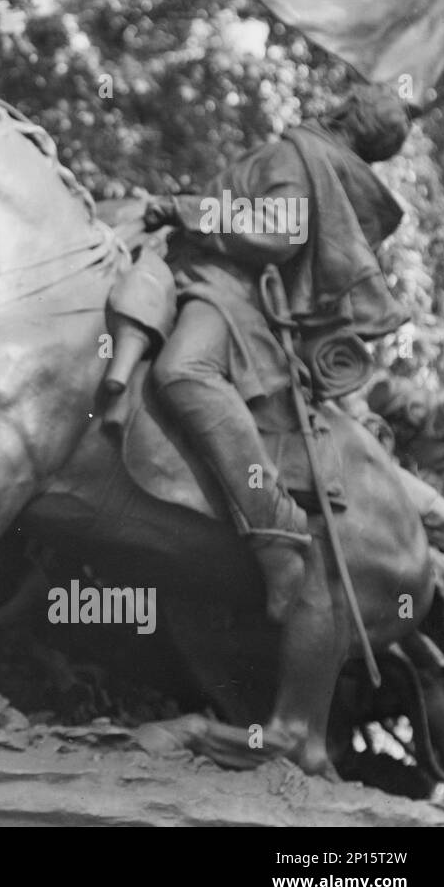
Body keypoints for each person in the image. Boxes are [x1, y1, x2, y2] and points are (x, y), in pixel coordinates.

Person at [147, 82, 413, 621]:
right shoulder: (311, 159)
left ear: (341, 108)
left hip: (226, 288)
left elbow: (276, 232)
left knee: (185, 371)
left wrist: (183, 209)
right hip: (188, 269)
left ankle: (274, 527)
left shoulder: (298, 156)